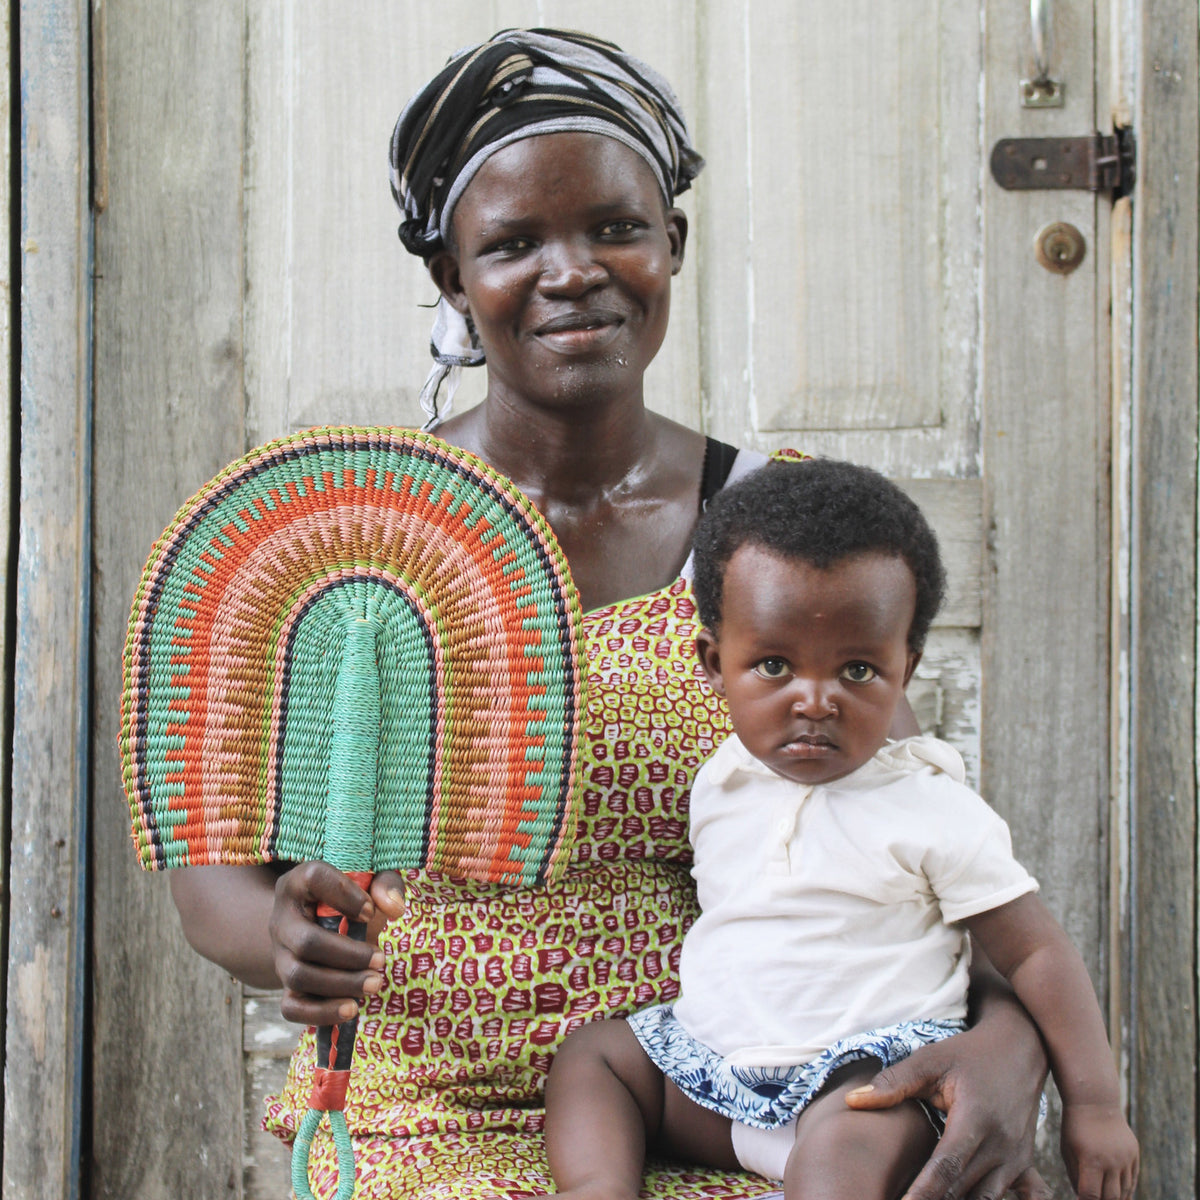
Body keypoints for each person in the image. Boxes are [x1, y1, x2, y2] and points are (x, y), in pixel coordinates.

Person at [169, 29, 1054, 1200]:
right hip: (425, 1103)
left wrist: (1011, 1042)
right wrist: (285, 932)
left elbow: (914, 850)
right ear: (450, 278)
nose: (570, 269)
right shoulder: (350, 532)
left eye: (614, 228)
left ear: (670, 245)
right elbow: (215, 881)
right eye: (513, 243)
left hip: (732, 1090)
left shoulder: (779, 536)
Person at [544, 459, 1139, 1200]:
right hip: (715, 1076)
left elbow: (1039, 952)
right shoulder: (720, 783)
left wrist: (1094, 1105)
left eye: (857, 671)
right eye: (773, 665)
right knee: (596, 1058)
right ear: (713, 664)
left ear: (905, 669)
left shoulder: (929, 806)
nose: (815, 700)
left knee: (838, 1160)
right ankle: (597, 1186)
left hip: (867, 1089)